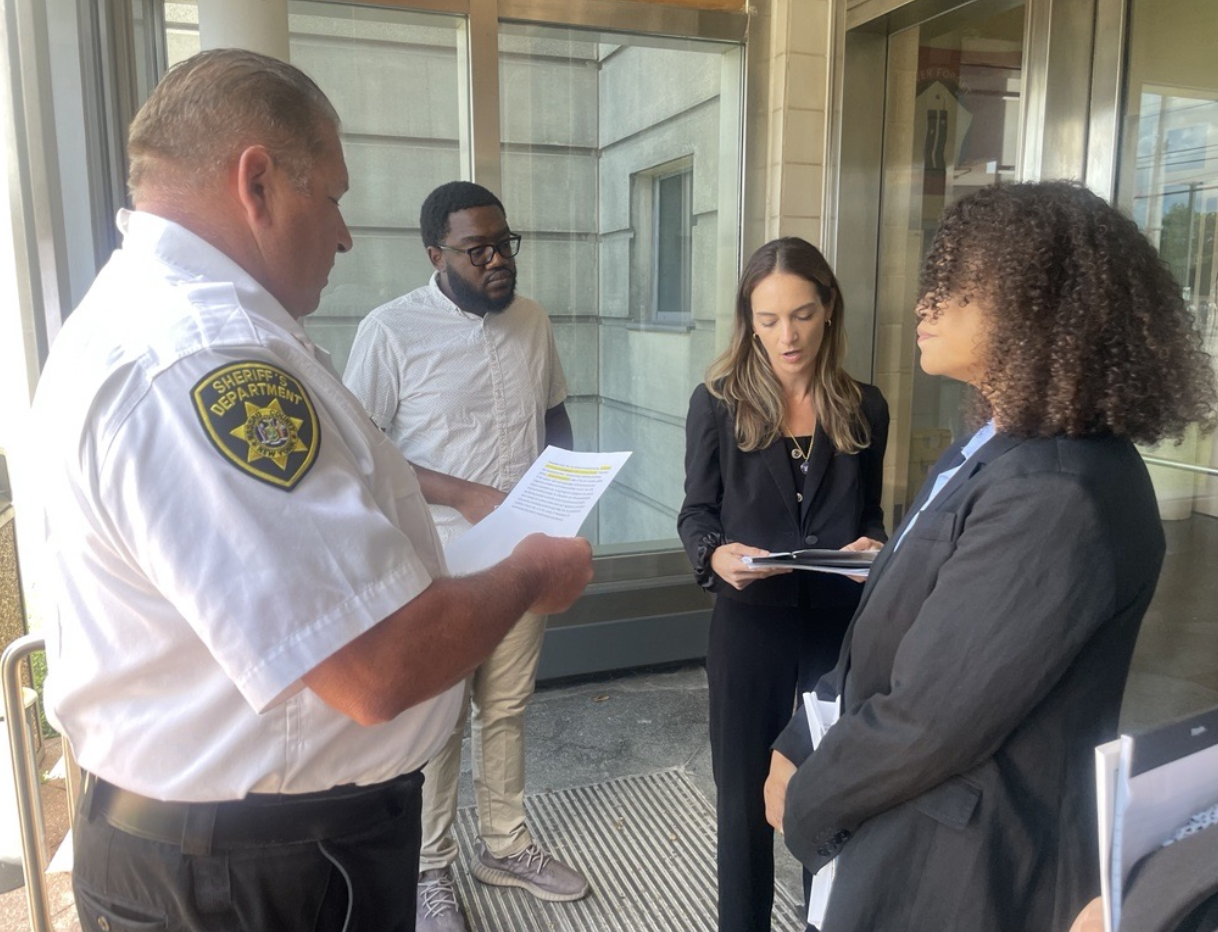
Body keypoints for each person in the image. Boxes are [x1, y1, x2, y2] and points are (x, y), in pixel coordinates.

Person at [23, 49, 592, 932]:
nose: (343, 233)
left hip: (241, 853)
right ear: (256, 181)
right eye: (332, 196)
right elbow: (375, 668)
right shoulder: (205, 356)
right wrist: (527, 574)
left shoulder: (155, 321)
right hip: (253, 874)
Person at [764, 181, 1218, 932]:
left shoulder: (1061, 495)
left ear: (1035, 313)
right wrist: (798, 739)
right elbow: (888, 628)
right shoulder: (998, 444)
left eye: (954, 290)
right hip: (908, 824)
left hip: (963, 872)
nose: (923, 305)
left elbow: (929, 720)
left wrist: (811, 804)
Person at [343, 180, 586, 932]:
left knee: (507, 708)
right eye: (477, 249)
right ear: (435, 254)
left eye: (504, 244)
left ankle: (504, 844)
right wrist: (466, 493)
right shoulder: (390, 332)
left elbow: (555, 419)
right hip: (435, 566)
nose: (498, 261)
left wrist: (568, 507)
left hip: (521, 557)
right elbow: (362, 453)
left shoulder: (533, 322)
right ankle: (429, 868)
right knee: (440, 719)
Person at [677, 237, 889, 932]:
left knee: (827, 804)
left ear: (828, 309)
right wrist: (714, 556)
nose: (785, 336)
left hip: (836, 634)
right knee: (743, 809)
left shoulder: (866, 407)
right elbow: (696, 514)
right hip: (749, 632)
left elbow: (870, 519)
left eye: (800, 315)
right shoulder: (716, 404)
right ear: (748, 319)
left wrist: (874, 549)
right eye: (767, 320)